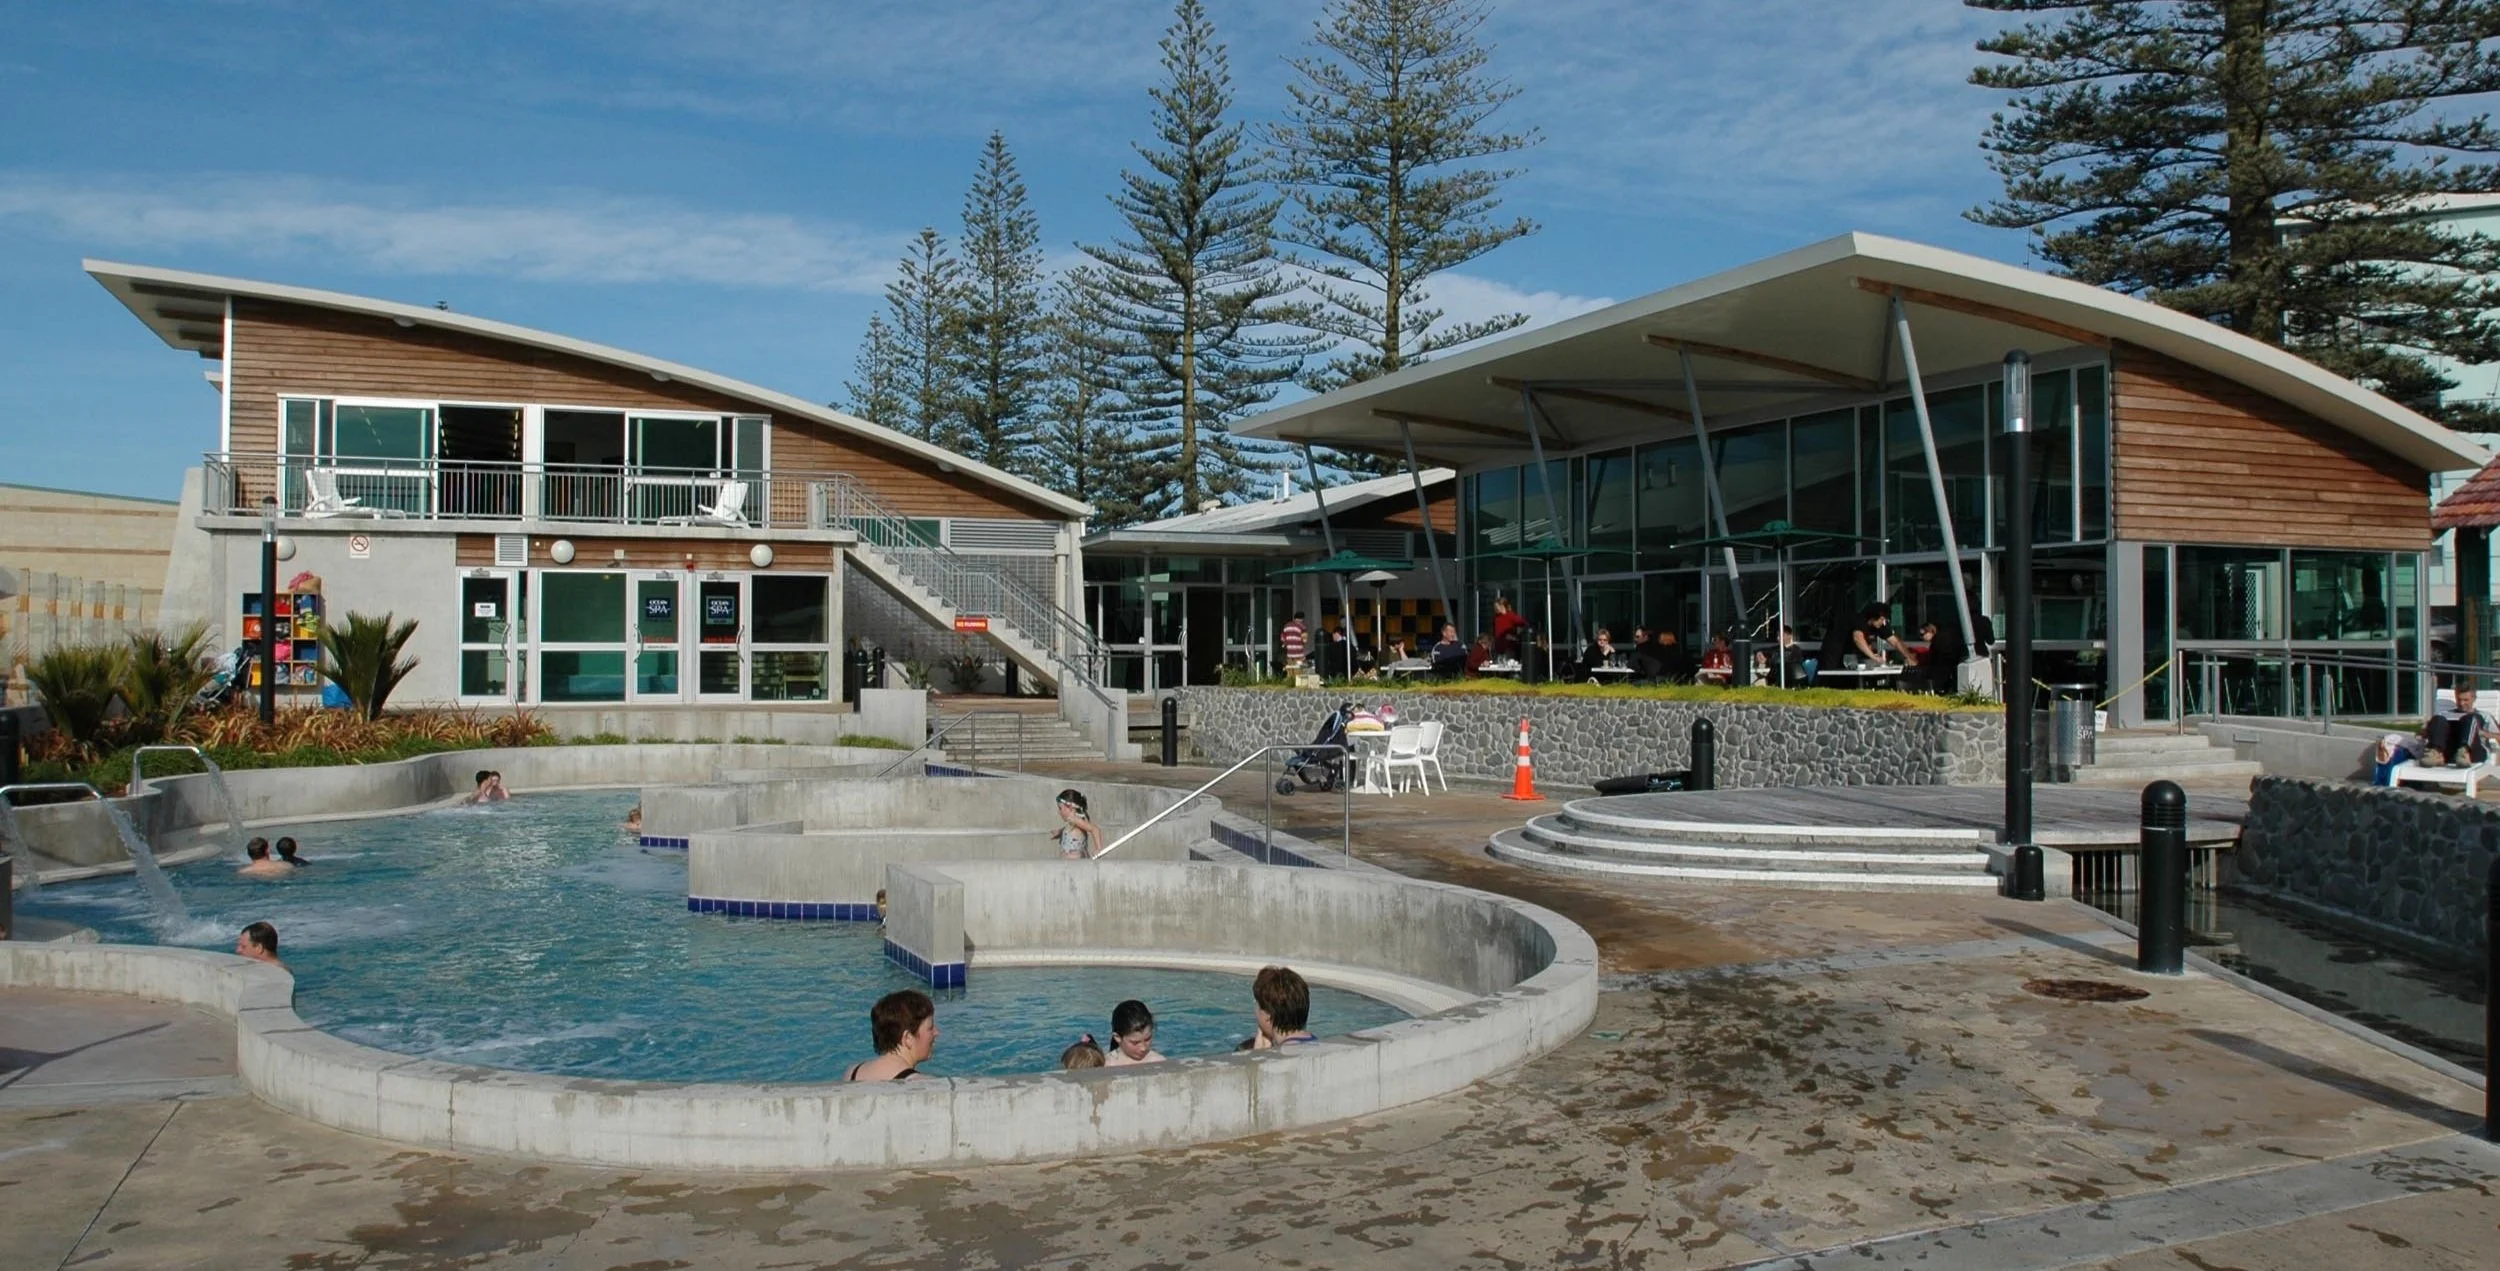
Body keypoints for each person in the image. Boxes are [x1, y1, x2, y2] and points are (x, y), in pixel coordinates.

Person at [847, 989, 936, 1082]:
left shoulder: (852, 1073)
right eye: (930, 1028)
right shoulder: (922, 1083)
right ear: (908, 1038)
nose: (936, 1032)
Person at [1249, 965, 1316, 1050]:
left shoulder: (1285, 1054)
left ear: (1268, 1015)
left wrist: (1259, 1056)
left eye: (1258, 1004)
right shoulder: (1315, 1042)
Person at [2421, 685, 2490, 768]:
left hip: (2473, 752)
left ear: (2474, 699)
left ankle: (2464, 753)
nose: (2461, 703)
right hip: (2449, 750)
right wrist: (2428, 730)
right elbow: (2423, 733)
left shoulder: (2485, 715)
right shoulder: (2444, 714)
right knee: (2438, 718)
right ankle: (2435, 754)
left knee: (2471, 718)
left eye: (2465, 700)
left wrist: (2482, 733)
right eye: (2459, 700)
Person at [1914, 619, 1968, 694]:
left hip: (1946, 667)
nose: (1922, 637)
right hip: (1952, 665)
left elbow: (1936, 658)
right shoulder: (1941, 638)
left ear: (1930, 631)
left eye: (1923, 634)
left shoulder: (1938, 641)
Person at [1105, 999, 1166, 1066]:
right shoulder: (1107, 1065)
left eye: (1147, 1039)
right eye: (1135, 1043)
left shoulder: (1158, 1061)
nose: (1143, 1048)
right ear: (1118, 1037)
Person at [1054, 788, 1101, 859]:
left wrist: (1098, 849)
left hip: (1077, 866)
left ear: (1070, 808)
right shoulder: (1072, 822)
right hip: (1068, 866)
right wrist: (1061, 832)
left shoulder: (1077, 820)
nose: (1059, 812)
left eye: (1060, 808)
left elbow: (1095, 829)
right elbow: (1074, 833)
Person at [1490, 596, 1525, 661]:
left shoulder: (1511, 616)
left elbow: (1524, 624)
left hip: (1508, 648)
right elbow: (1494, 632)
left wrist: (1516, 637)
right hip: (1498, 648)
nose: (1495, 609)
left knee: (1507, 666)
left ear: (1502, 606)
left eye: (1496, 607)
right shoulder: (1496, 618)